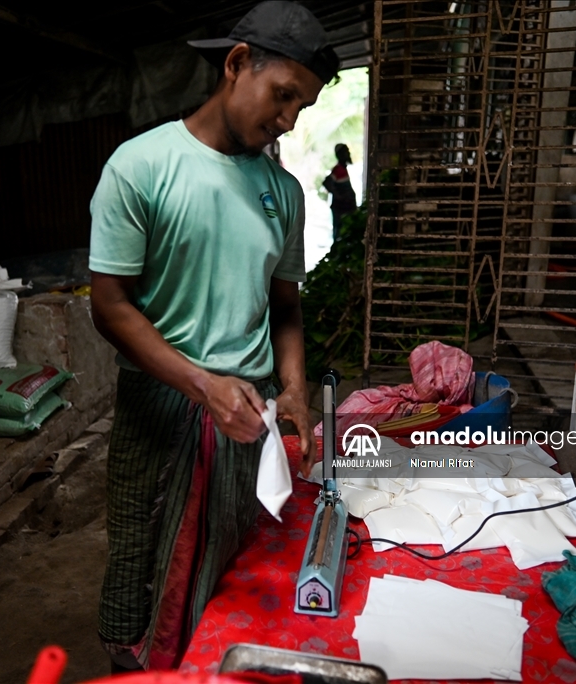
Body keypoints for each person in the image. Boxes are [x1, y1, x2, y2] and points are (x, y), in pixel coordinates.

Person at [88, 0, 337, 671]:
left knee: (233, 562)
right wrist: (201, 384)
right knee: (140, 570)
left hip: (246, 415)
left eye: (300, 108)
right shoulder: (141, 167)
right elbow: (109, 307)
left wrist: (293, 389)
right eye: (282, 96)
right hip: (158, 411)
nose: (286, 120)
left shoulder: (282, 192)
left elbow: (285, 304)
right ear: (235, 65)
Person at [323, 143, 357, 241]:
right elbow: (327, 182)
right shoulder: (338, 169)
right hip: (341, 208)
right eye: (345, 152)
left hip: (345, 207)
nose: (348, 154)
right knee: (340, 233)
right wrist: (339, 196)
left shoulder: (343, 169)